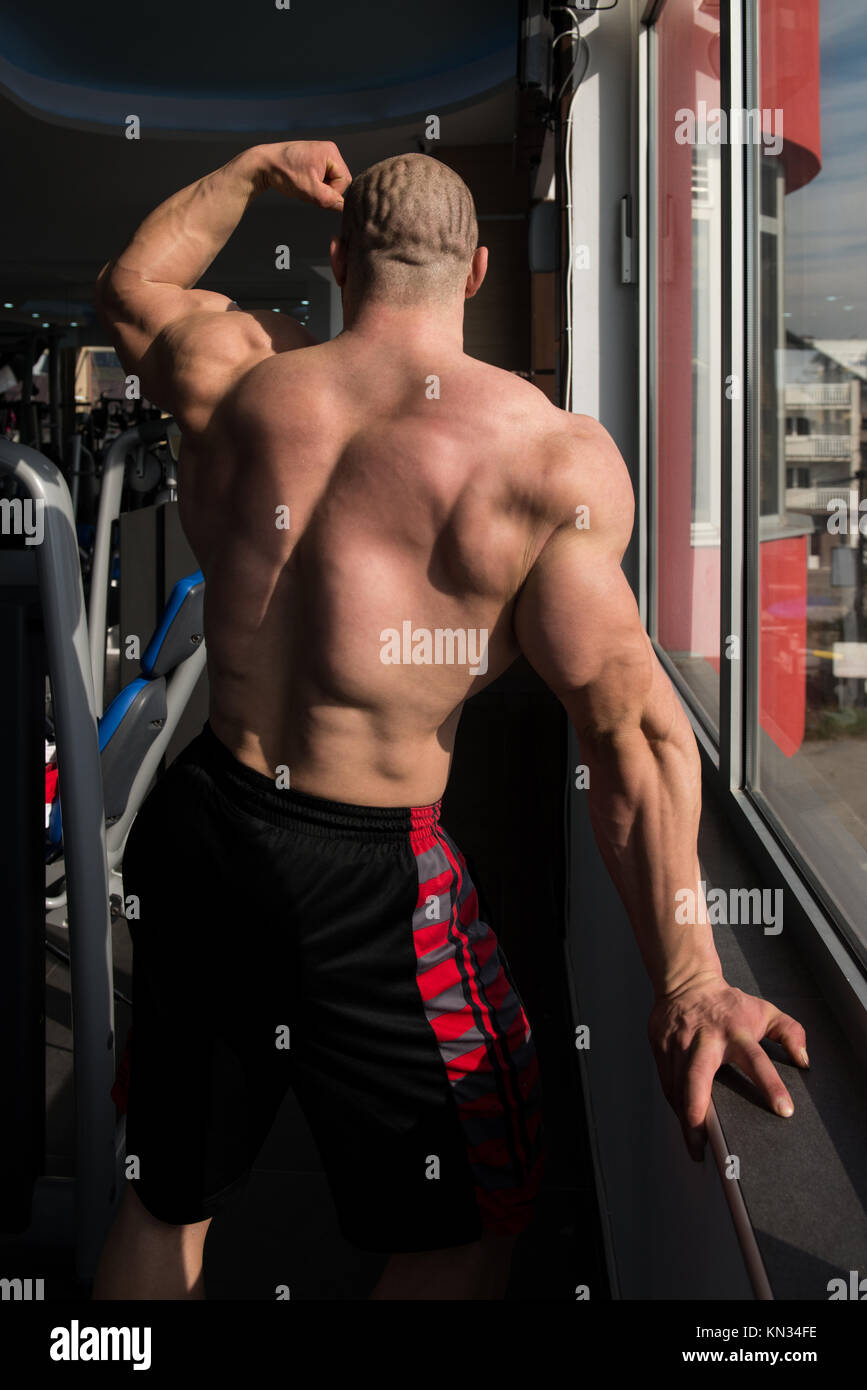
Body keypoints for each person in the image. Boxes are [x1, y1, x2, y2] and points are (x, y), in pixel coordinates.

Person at [91, 142, 807, 1301]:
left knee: (165, 1194)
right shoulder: (540, 458)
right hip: (375, 881)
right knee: (467, 1223)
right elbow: (629, 728)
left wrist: (253, 170)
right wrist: (688, 979)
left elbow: (130, 290)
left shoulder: (234, 372)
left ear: (338, 261)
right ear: (476, 272)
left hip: (209, 818)